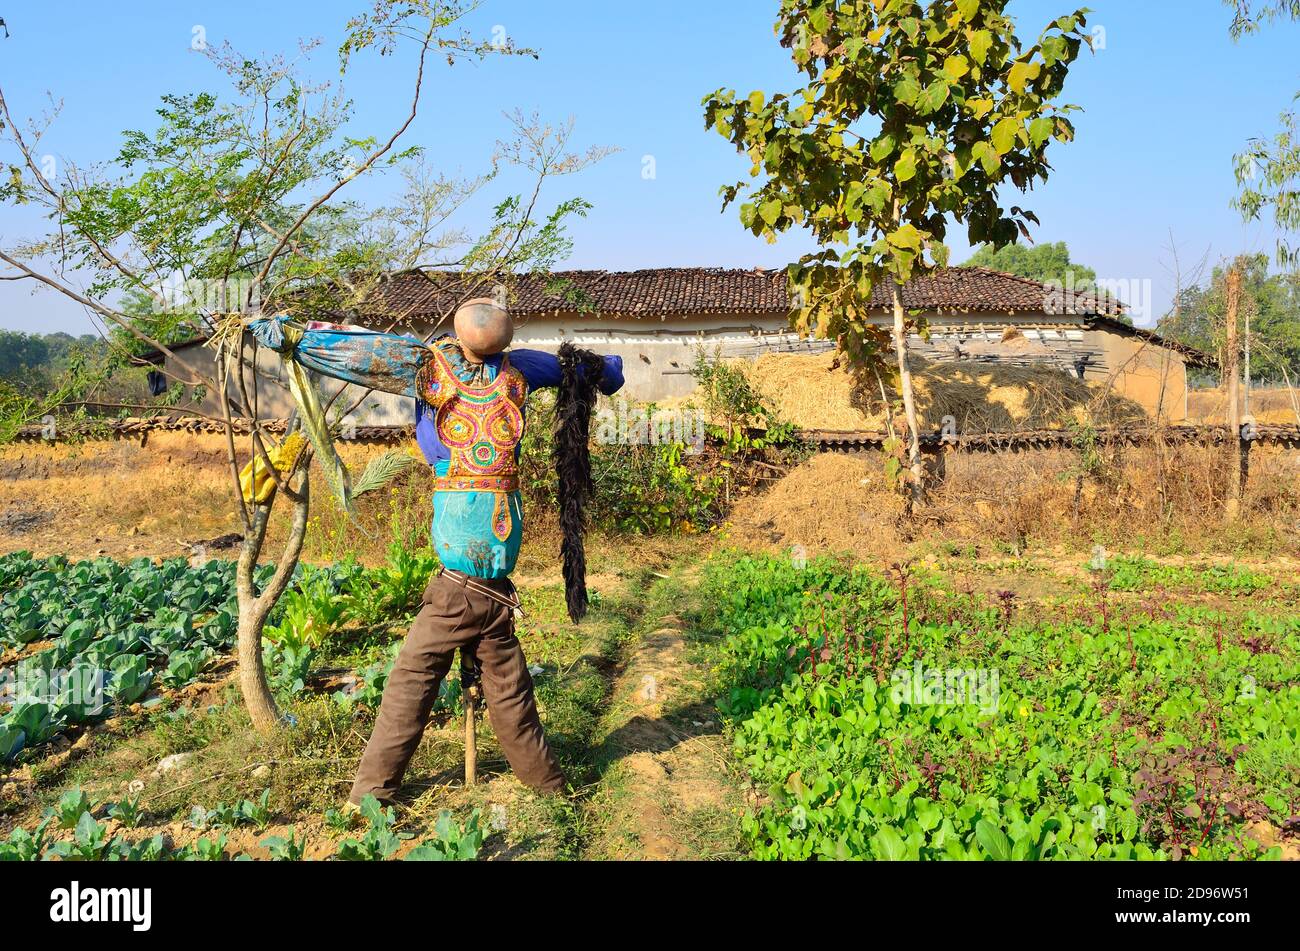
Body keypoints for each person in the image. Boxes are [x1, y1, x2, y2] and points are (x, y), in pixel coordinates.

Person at [248, 299, 624, 803]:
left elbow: (352, 350)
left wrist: (287, 336)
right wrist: (613, 371)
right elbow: (591, 370)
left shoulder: (426, 364)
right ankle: (550, 787)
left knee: (410, 683)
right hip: (496, 579)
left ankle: (371, 795)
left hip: (456, 588)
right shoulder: (521, 371)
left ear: (457, 333)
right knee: (509, 691)